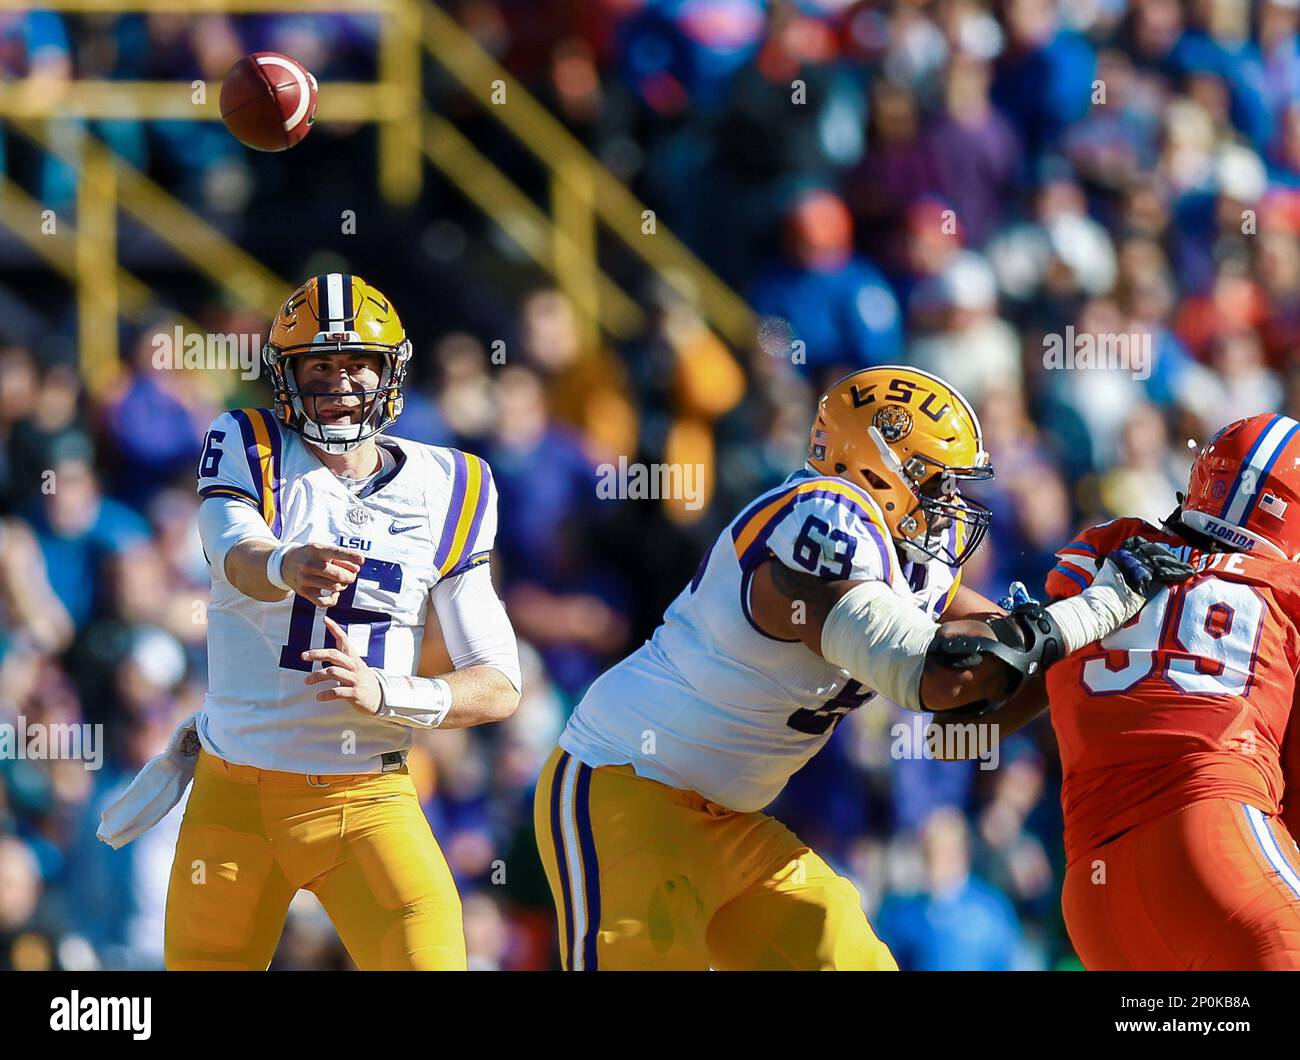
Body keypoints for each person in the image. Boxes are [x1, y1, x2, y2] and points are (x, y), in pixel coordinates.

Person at [533, 364, 1188, 970]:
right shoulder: (822, 516)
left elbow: (966, 715)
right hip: (627, 786)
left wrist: (1102, 623)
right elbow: (932, 674)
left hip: (732, 823)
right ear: (875, 467)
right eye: (936, 480)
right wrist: (1101, 604)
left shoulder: (914, 561)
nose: (951, 503)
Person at [102, 274, 522, 970]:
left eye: (357, 362)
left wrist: (390, 693)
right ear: (285, 375)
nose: (339, 381)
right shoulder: (250, 444)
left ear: (390, 373)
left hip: (370, 798)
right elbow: (232, 547)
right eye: (318, 365)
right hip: (237, 796)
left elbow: (500, 681)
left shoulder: (454, 484)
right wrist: (283, 565)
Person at [976, 412, 1300, 969]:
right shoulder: (1284, 592)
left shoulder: (1108, 555)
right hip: (1215, 846)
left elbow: (962, 729)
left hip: (1094, 899)